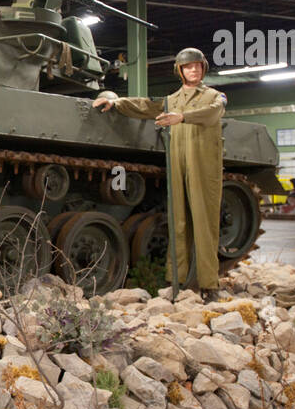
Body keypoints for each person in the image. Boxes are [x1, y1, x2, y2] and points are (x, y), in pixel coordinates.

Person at [92, 48, 226, 301]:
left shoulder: (213, 96)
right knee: (178, 222)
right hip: (178, 161)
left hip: (203, 164)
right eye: (188, 67)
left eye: (197, 66)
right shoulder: (172, 99)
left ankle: (209, 284)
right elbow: (147, 106)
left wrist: (183, 117)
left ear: (203, 68)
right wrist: (117, 102)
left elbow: (214, 113)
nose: (193, 70)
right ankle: (175, 280)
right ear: (180, 70)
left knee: (204, 223)